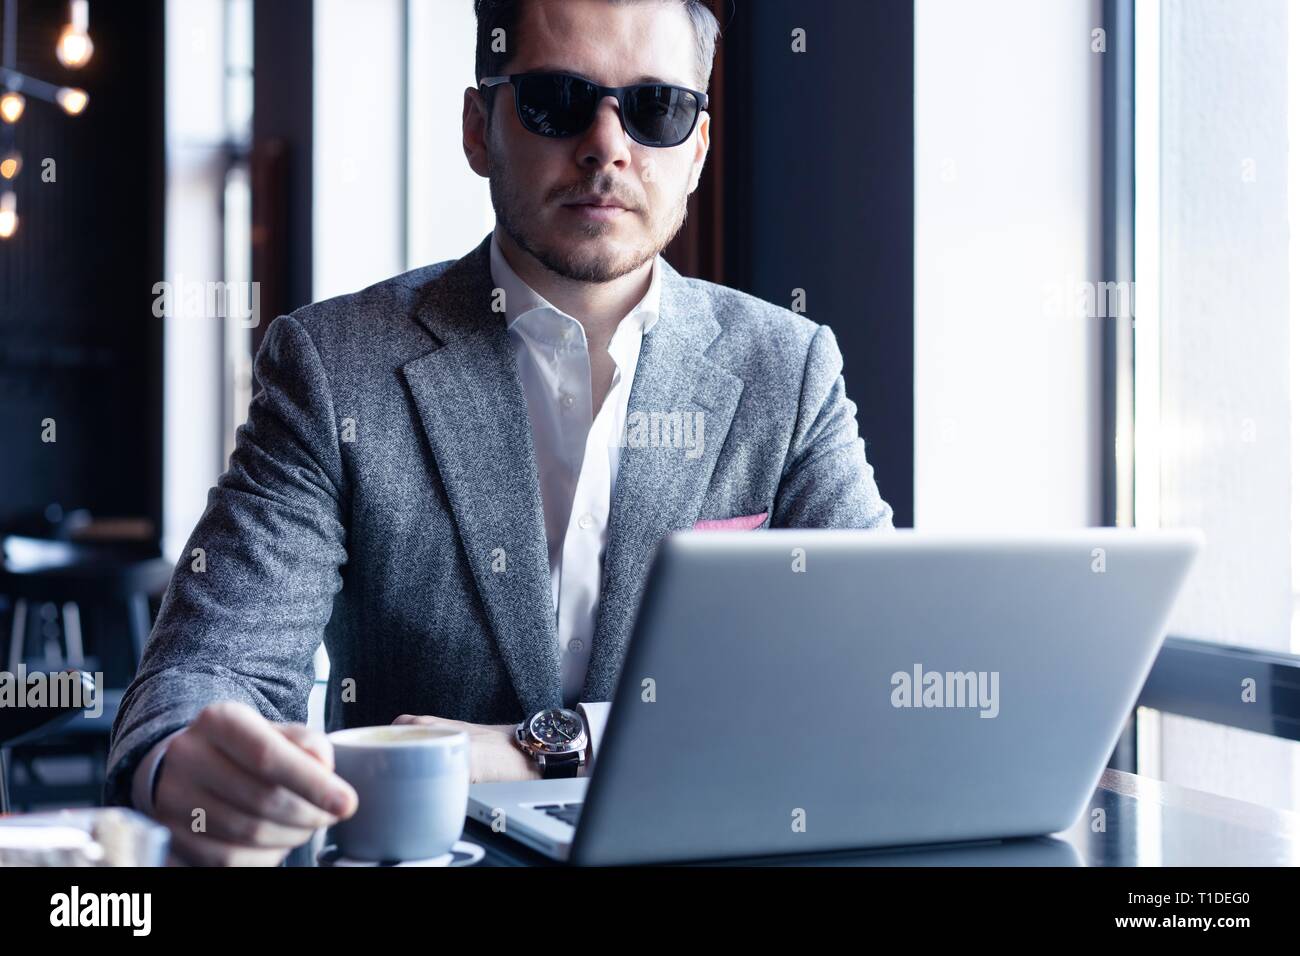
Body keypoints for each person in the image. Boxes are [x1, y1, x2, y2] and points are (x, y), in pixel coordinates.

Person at [106, 0, 893, 865]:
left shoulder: (790, 369)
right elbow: (208, 671)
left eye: (656, 108)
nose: (606, 145)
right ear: (480, 129)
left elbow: (867, 678)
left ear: (697, 151)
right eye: (558, 100)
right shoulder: (334, 367)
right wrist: (183, 768)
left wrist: (538, 748)